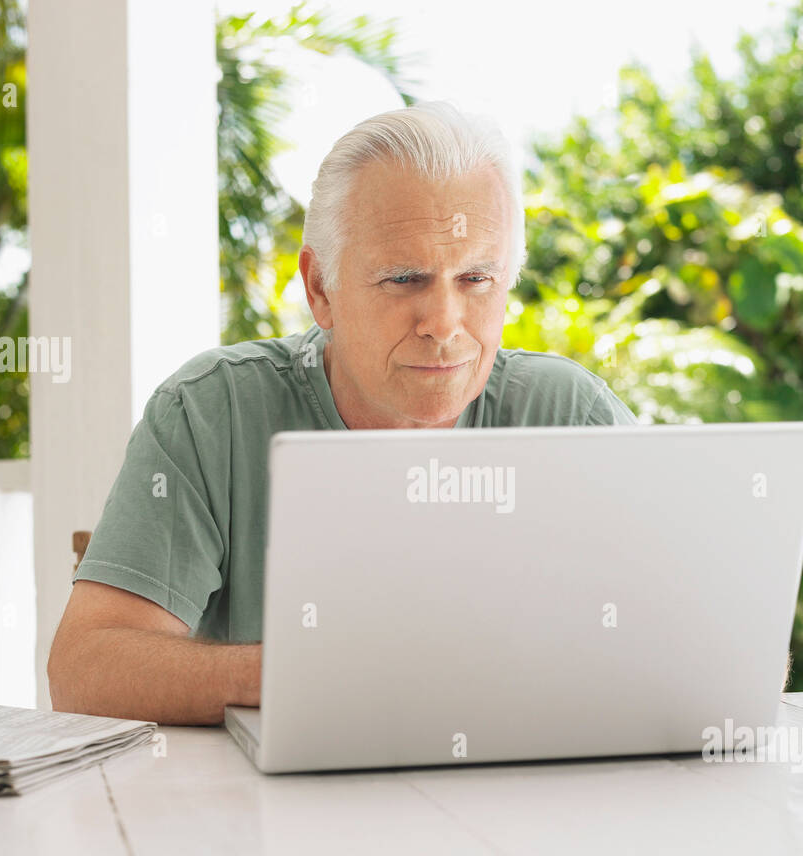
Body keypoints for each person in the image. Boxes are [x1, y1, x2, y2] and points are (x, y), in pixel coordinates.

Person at [47, 101, 636, 725]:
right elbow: (85, 669)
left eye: (476, 279)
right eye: (404, 278)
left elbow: (694, 626)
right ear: (320, 288)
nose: (443, 323)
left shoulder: (573, 416)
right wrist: (319, 671)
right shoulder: (211, 411)